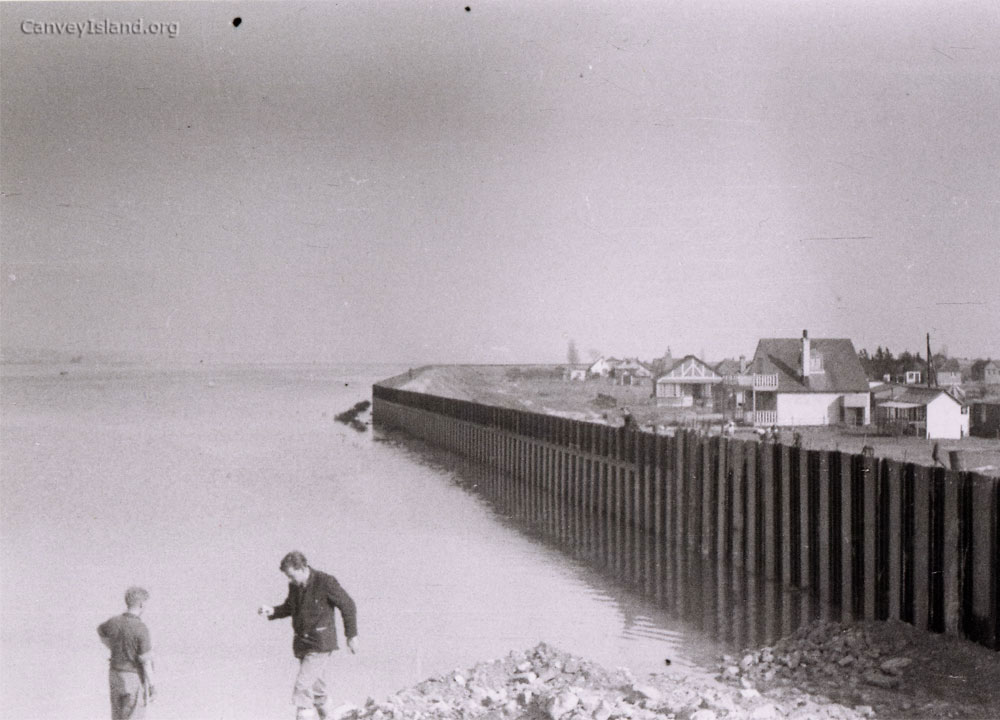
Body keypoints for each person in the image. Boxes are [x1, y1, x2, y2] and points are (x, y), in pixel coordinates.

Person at [259, 551, 358, 720]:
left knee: (302, 687)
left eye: (291, 576)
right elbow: (290, 607)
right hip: (303, 644)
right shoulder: (294, 587)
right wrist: (273, 611)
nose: (290, 580)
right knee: (317, 689)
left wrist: (351, 635)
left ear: (302, 568)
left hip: (320, 643)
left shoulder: (325, 581)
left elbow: (348, 605)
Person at [98, 586, 155, 720]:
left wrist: (112, 646)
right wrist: (152, 686)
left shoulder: (113, 622)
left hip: (114, 675)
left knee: (117, 716)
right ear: (141, 604)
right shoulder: (141, 628)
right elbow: (146, 662)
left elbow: (101, 631)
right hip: (132, 677)